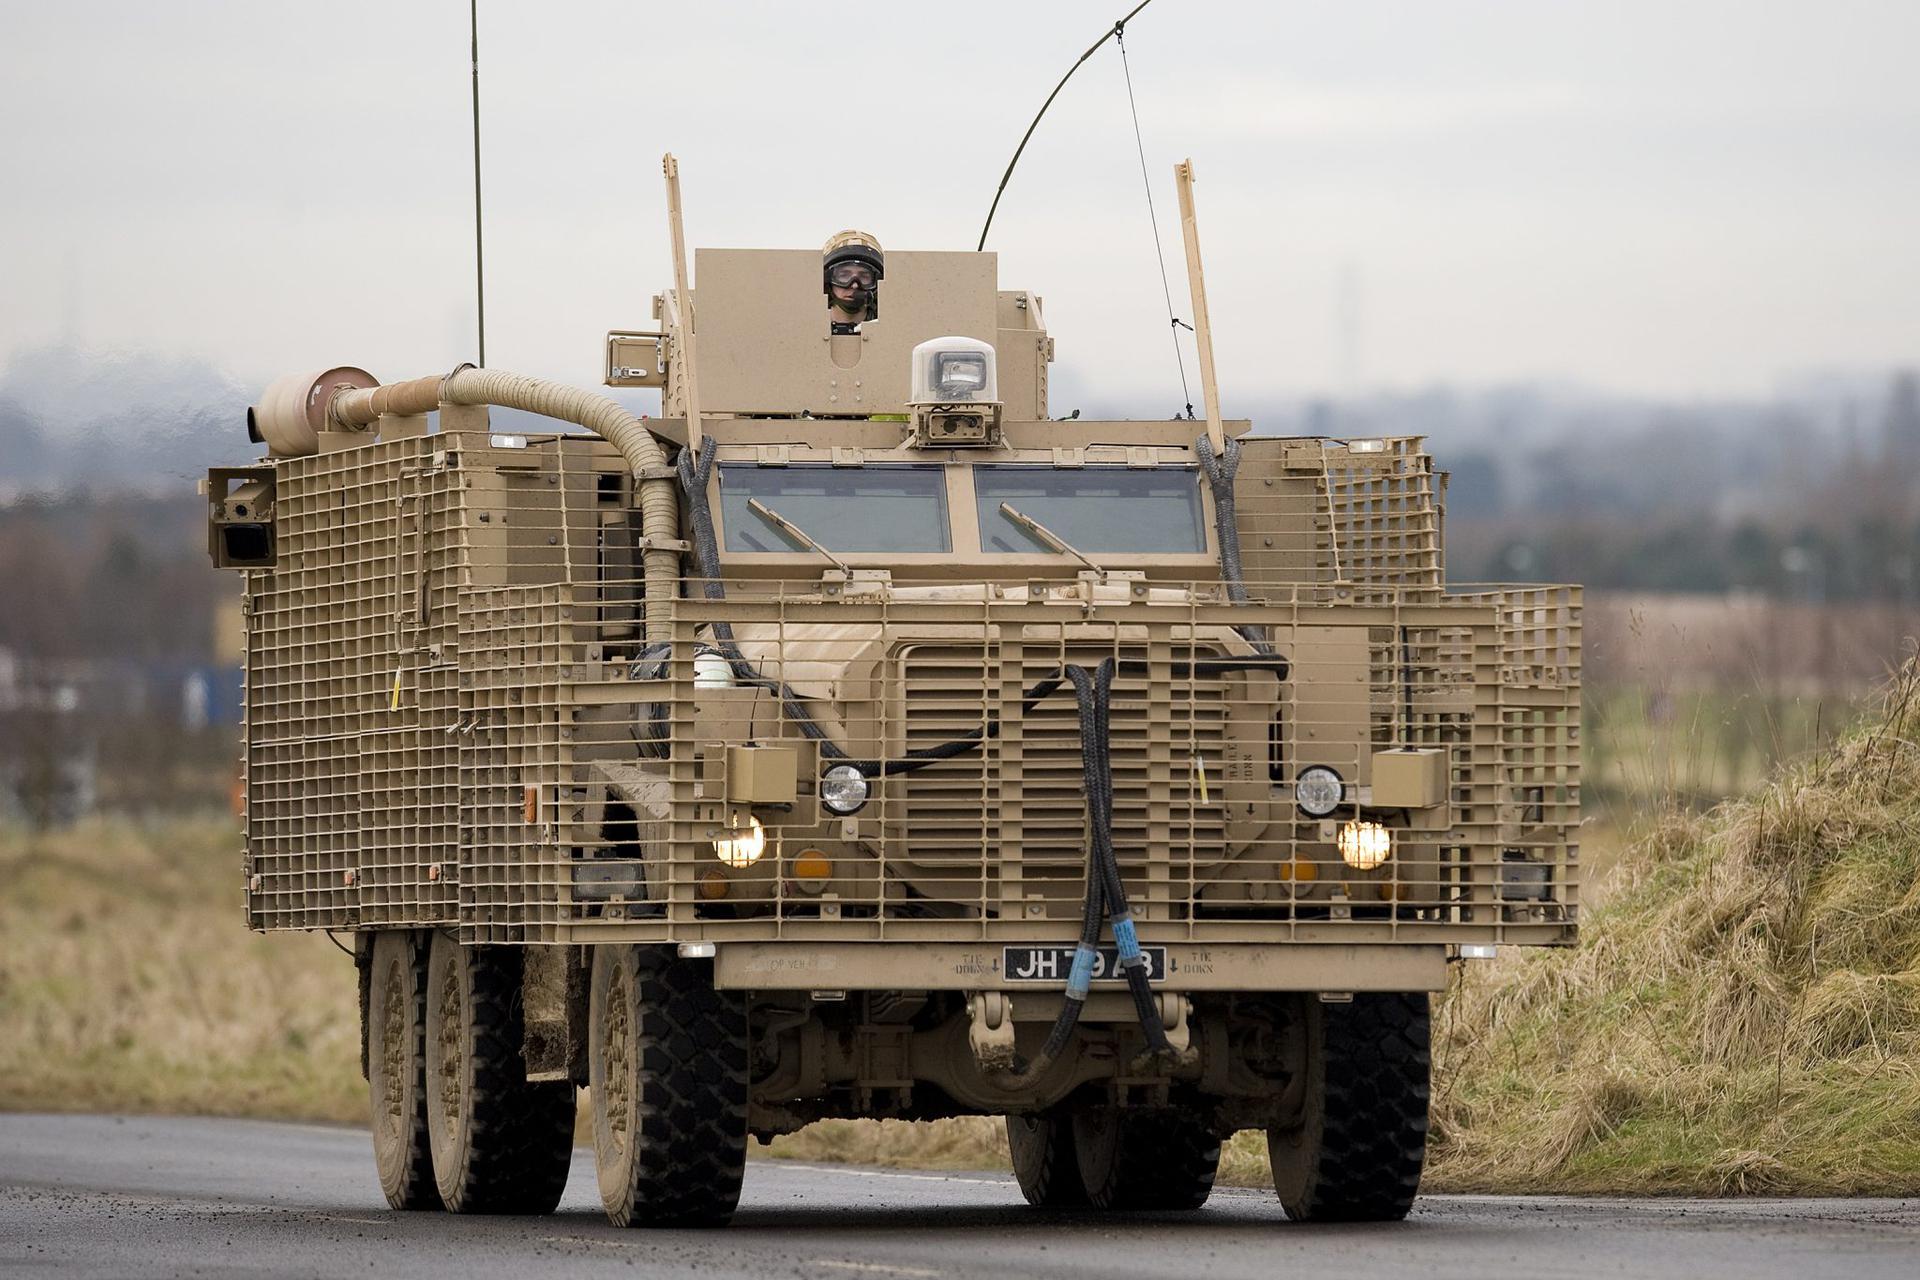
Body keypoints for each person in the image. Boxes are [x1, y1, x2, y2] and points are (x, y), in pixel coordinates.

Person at [823, 230, 884, 334]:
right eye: (844, 275)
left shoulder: (890, 329)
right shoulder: (806, 326)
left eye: (864, 276)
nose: (854, 285)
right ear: (828, 279)